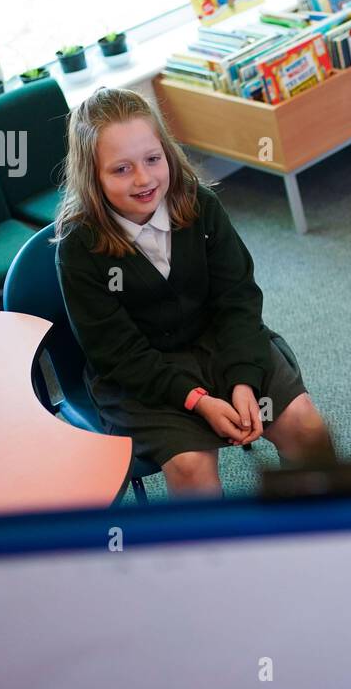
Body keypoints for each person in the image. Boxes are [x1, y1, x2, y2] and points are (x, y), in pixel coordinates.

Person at [54, 87, 334, 497]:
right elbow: (117, 352)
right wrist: (197, 400)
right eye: (121, 169)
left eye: (153, 159)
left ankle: (319, 525)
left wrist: (243, 381)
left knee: (306, 428)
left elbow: (237, 300)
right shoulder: (79, 248)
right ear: (91, 176)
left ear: (167, 152)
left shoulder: (201, 205)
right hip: (145, 373)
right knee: (191, 468)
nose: (144, 179)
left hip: (223, 341)